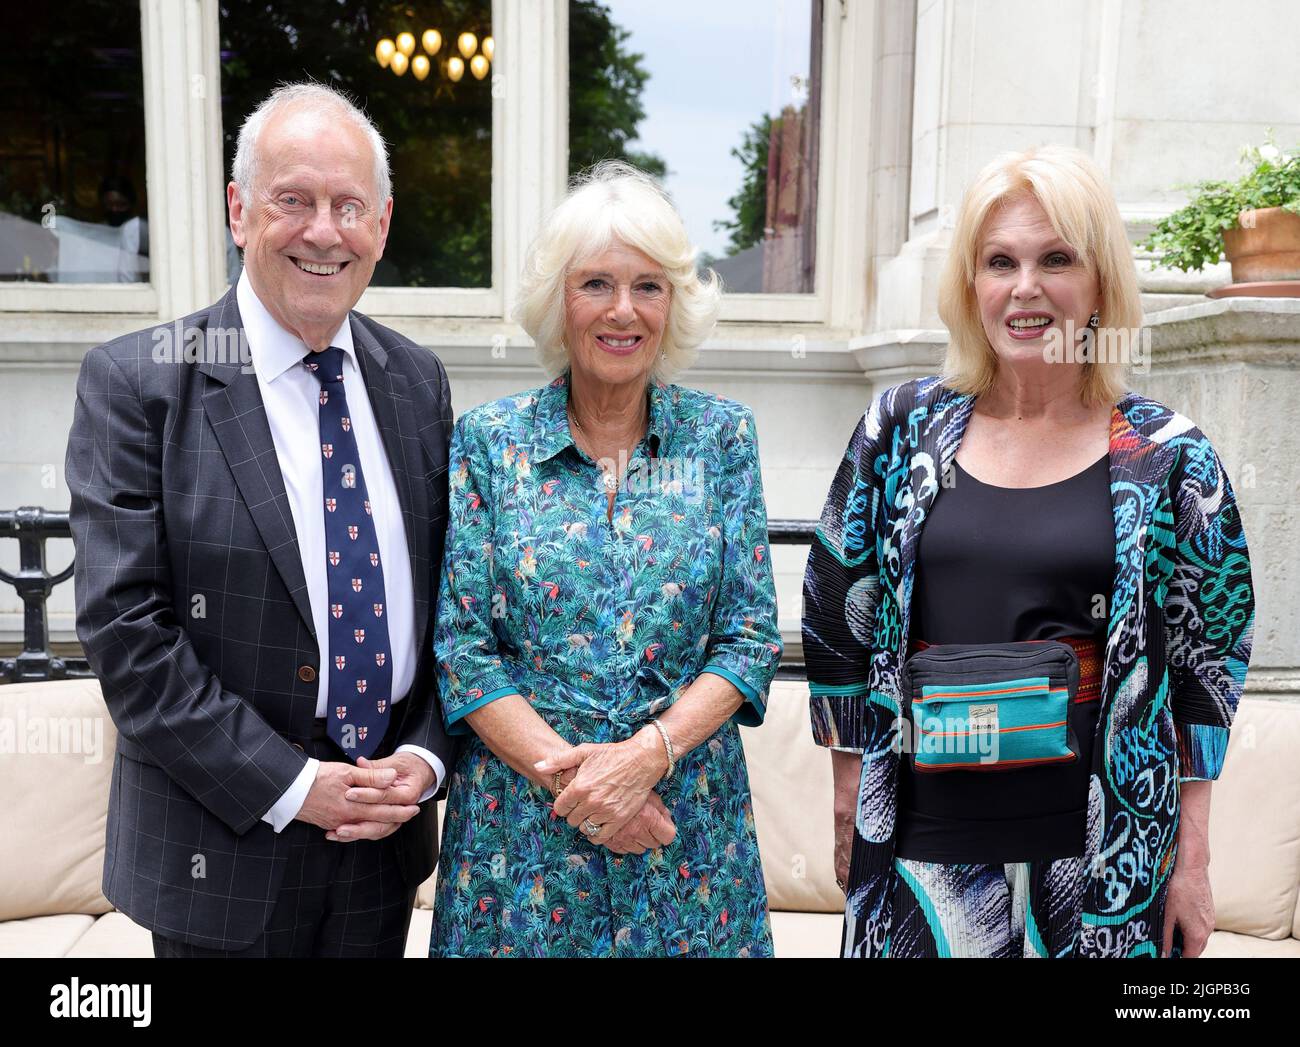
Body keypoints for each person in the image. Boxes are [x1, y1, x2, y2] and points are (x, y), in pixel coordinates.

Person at [803, 145, 1255, 959]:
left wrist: (1193, 859)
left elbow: (1208, 664)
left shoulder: (1172, 456)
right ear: (970, 284)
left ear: (1101, 284)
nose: (1026, 288)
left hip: (1103, 855)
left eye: (1057, 260)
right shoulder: (898, 429)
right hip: (919, 848)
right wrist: (847, 794)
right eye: (999, 261)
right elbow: (837, 607)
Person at [65, 83, 456, 957]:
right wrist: (292, 783)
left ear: (382, 225)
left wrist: (426, 760)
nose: (324, 230)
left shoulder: (417, 384)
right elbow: (128, 638)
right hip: (221, 849)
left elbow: (453, 605)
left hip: (379, 849)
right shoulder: (141, 384)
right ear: (240, 211)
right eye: (294, 200)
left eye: (349, 205)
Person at [428, 161, 782, 957]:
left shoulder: (721, 439)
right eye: (596, 283)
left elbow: (750, 636)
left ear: (673, 305)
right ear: (560, 300)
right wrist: (590, 790)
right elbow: (464, 651)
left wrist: (648, 756)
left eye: (648, 287)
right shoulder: (491, 443)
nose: (623, 310)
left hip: (686, 837)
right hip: (524, 845)